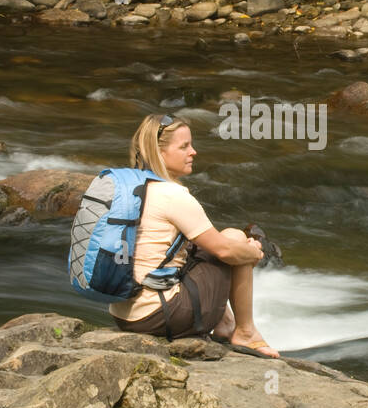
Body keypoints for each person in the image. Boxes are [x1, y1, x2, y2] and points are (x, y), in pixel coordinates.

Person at [108, 112, 279, 358]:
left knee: (206, 245)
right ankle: (245, 331)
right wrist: (253, 251)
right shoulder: (172, 195)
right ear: (160, 153)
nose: (194, 152)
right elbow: (226, 251)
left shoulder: (129, 188)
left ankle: (224, 325)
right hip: (159, 316)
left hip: (123, 314)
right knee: (234, 240)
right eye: (184, 146)